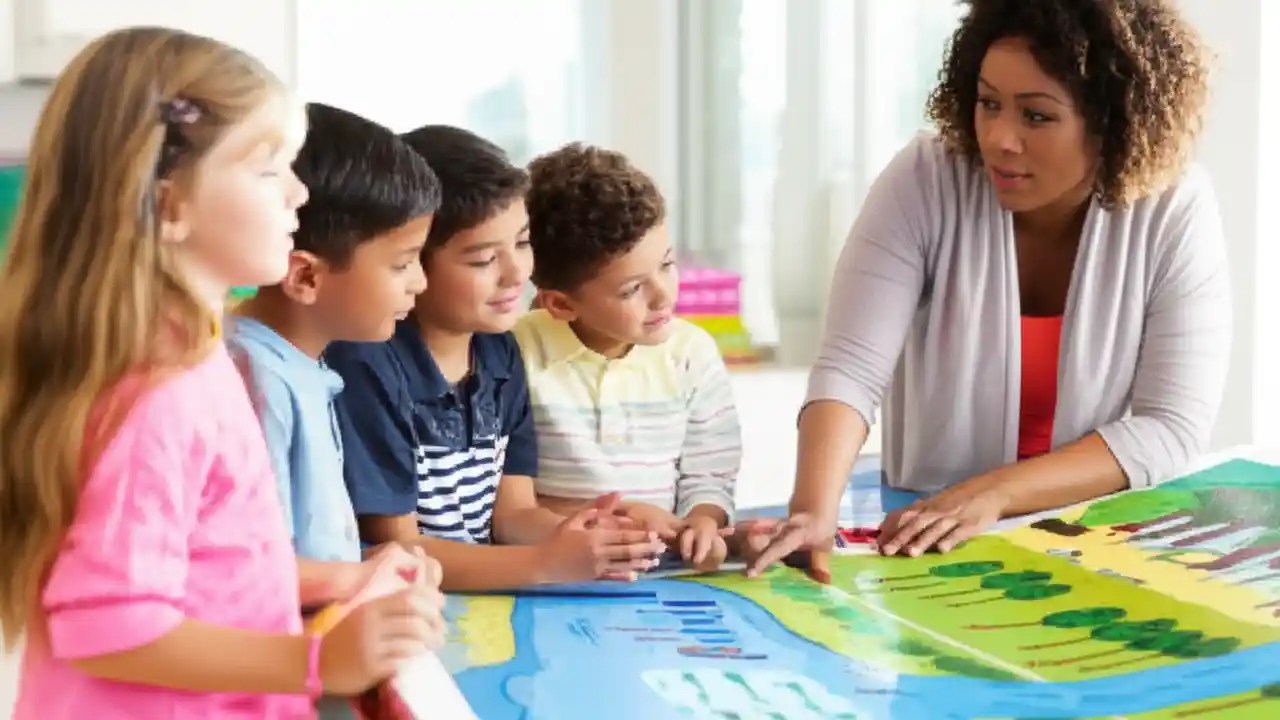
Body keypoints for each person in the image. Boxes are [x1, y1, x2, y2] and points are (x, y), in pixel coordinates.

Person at [0, 27, 441, 719]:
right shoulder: (156, 387)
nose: (298, 194)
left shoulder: (194, 358)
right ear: (170, 203)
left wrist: (351, 584)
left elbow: (219, 564)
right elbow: (110, 627)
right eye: (269, 169)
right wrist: (318, 662)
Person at [745, 0, 1230, 581]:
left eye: (1037, 117)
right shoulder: (924, 179)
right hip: (925, 526)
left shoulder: (1174, 210)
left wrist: (992, 494)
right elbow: (851, 367)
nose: (1000, 138)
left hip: (1085, 535)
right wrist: (812, 512)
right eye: (988, 102)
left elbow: (1169, 425)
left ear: (1112, 120)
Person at [326, 125, 666, 592]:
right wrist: (544, 565)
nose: (515, 275)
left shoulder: (500, 354)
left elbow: (513, 514)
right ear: (412, 260)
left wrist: (601, 537)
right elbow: (398, 547)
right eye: (484, 260)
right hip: (411, 606)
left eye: (522, 244)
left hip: (483, 594)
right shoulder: (368, 365)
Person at [228, 101, 438, 569]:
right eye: (402, 263)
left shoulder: (303, 364)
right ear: (305, 277)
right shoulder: (255, 381)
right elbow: (257, 573)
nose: (419, 283)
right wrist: (362, 579)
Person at [515, 142, 741, 572]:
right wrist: (616, 518)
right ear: (560, 305)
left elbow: (709, 474)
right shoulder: (516, 354)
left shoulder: (691, 354)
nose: (663, 296)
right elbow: (507, 502)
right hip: (562, 573)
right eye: (631, 289)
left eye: (668, 264)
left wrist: (702, 521)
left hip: (660, 572)